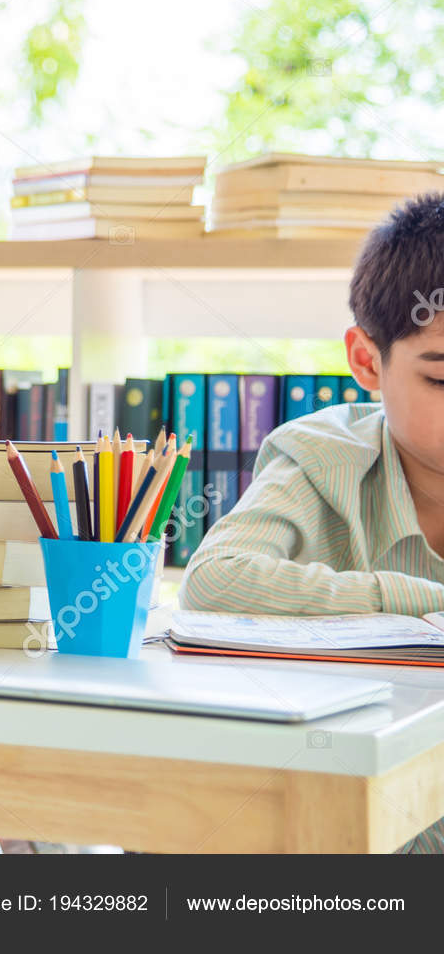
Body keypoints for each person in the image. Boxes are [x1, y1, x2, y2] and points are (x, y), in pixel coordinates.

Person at [180, 191, 444, 852]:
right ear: (366, 361)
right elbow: (214, 581)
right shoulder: (321, 458)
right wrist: (421, 604)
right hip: (343, 822)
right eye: (443, 379)